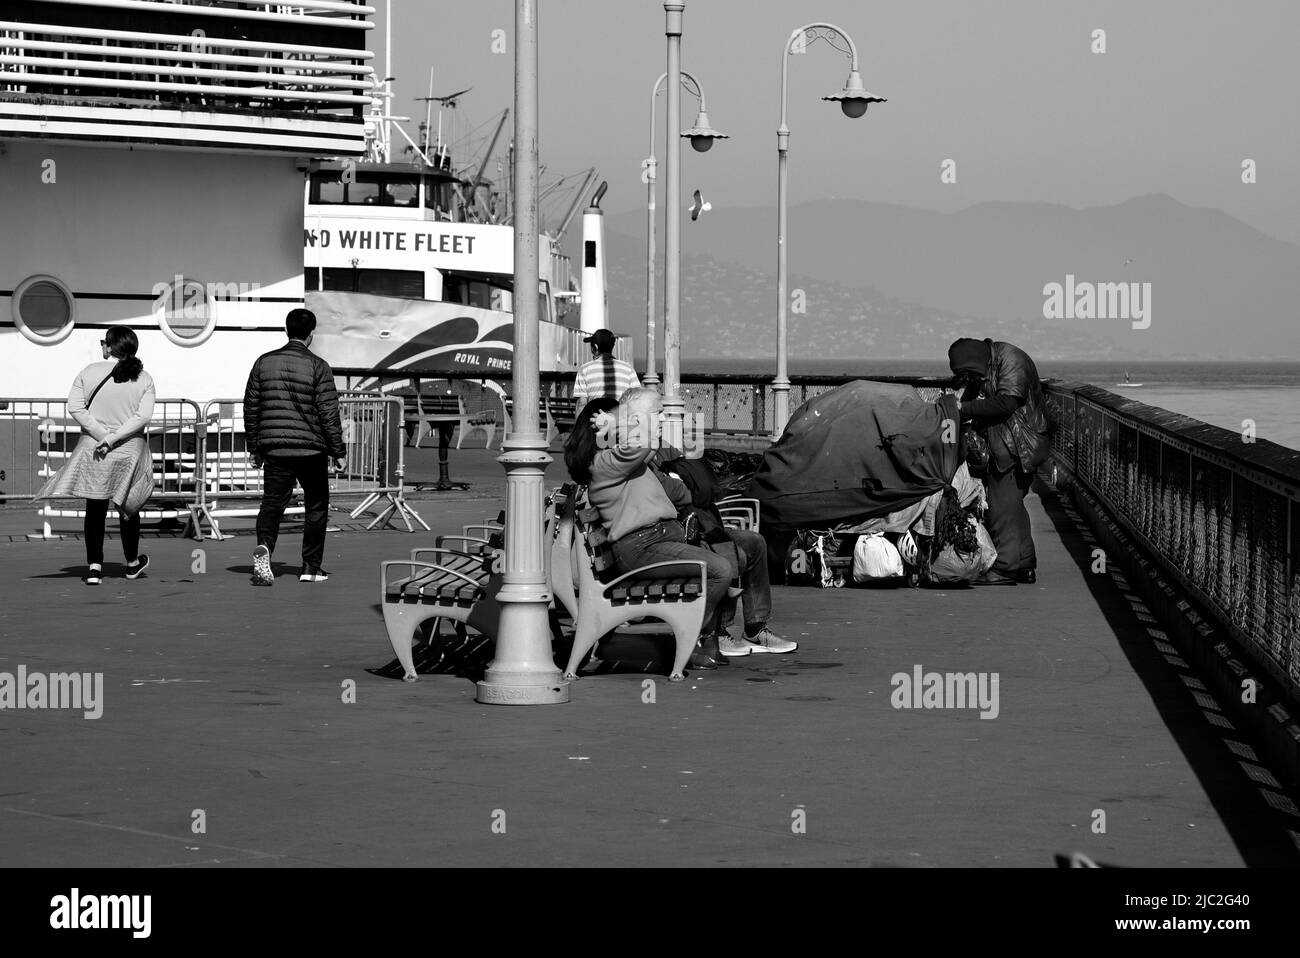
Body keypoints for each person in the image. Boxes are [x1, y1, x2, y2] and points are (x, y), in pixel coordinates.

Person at [563, 389, 733, 670]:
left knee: (727, 559)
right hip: (641, 547)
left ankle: (700, 638)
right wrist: (619, 423)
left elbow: (652, 452)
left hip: (656, 540)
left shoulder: (622, 463)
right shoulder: (604, 464)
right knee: (720, 570)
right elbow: (643, 443)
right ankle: (691, 638)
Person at [38, 328, 156, 585]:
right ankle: (132, 563)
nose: (102, 345)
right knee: (128, 507)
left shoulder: (88, 372)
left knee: (95, 508)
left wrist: (102, 435)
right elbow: (142, 417)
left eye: (104, 342)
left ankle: (94, 567)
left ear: (110, 347)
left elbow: (75, 407)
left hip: (96, 449)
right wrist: (114, 438)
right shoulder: (144, 378)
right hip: (128, 450)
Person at [243, 308, 346, 586]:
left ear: (286, 331)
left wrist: (255, 446)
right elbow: (328, 412)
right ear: (311, 335)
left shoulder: (263, 363)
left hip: (275, 449)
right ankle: (311, 567)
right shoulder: (318, 366)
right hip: (311, 450)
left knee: (272, 504)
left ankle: (265, 545)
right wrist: (338, 451)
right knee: (316, 506)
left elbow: (251, 407)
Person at [662, 454, 796, 654]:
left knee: (755, 542)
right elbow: (682, 493)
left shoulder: (667, 447)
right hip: (683, 533)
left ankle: (755, 629)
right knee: (734, 553)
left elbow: (706, 488)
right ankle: (719, 630)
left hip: (706, 525)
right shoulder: (642, 457)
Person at [948, 337, 1051, 585]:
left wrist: (964, 410)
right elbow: (977, 389)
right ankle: (1024, 563)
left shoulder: (1011, 359)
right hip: (1006, 442)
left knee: (1000, 506)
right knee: (1012, 505)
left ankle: (1004, 568)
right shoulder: (989, 362)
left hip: (1019, 443)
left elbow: (1007, 403)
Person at [571, 328, 640, 405]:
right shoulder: (628, 369)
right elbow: (636, 398)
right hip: (621, 416)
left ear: (595, 347)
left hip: (594, 416)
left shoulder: (584, 369)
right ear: (612, 346)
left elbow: (582, 403)